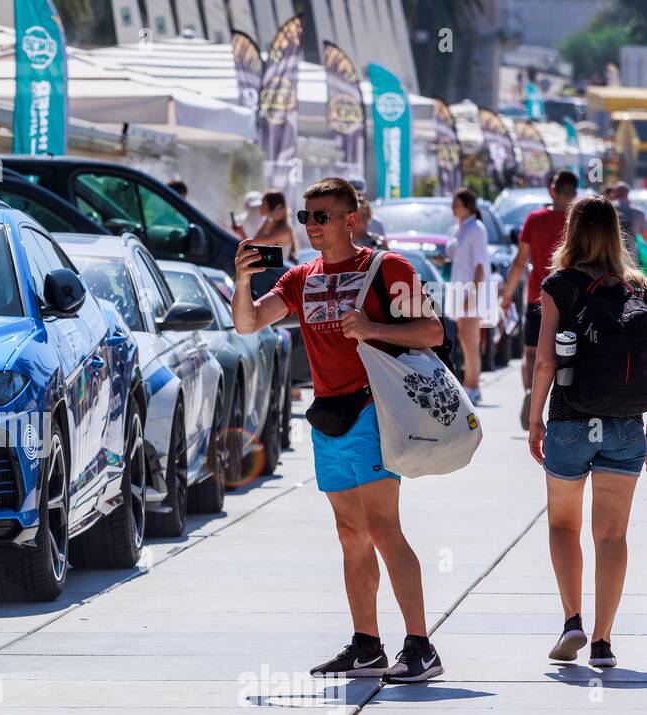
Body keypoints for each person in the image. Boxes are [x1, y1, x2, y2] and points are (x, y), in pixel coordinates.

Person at [231, 177, 446, 682]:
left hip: (374, 410)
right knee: (351, 534)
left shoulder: (386, 267)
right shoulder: (300, 278)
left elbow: (433, 331)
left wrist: (372, 329)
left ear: (351, 220)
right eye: (306, 217)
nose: (311, 227)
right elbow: (248, 324)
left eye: (321, 216)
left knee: (383, 529)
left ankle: (421, 646)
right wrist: (243, 282)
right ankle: (367, 644)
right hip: (328, 417)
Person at [528, 195, 647, 669]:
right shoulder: (637, 286)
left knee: (563, 524)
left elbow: (544, 361)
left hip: (570, 420)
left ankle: (572, 620)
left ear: (571, 232)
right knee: (612, 536)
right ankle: (603, 642)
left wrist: (535, 419)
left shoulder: (559, 285)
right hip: (624, 423)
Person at [501, 169, 577, 430]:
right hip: (569, 297)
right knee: (564, 350)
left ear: (551, 190)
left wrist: (507, 295)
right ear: (574, 193)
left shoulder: (534, 219)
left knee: (531, 351)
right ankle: (560, 397)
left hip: (537, 295)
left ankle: (530, 391)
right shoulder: (576, 222)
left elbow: (520, 261)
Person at [444, 188, 491, 404]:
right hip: (458, 286)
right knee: (464, 338)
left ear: (468, 206)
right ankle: (470, 384)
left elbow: (481, 264)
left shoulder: (476, 228)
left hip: (473, 289)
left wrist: (472, 294)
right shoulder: (458, 229)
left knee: (471, 340)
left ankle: (474, 386)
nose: (453, 209)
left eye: (457, 205)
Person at [232, 190, 297, 261]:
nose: (260, 207)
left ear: (274, 207)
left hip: (278, 271)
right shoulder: (273, 226)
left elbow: (257, 240)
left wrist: (270, 217)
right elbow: (254, 250)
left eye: (263, 204)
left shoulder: (283, 230)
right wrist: (242, 233)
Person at [610, 181, 647, 256]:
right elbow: (645, 236)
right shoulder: (639, 212)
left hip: (611, 255)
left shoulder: (609, 208)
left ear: (614, 193)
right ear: (627, 193)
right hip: (631, 255)